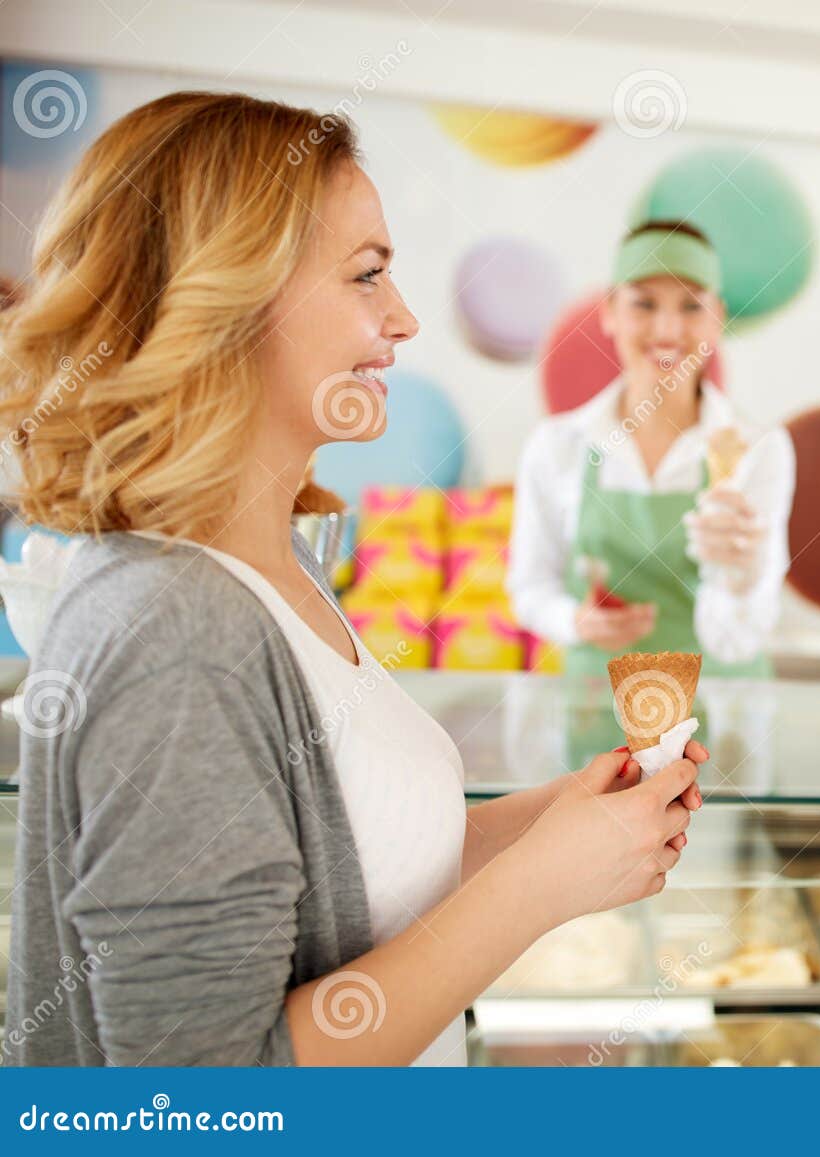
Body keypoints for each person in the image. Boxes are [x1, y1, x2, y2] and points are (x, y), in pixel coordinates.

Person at [0, 91, 704, 1067]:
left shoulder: (276, 574)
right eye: (366, 275)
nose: (405, 318)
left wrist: (555, 818)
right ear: (226, 299)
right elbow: (205, 1100)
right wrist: (539, 884)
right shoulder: (173, 631)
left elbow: (364, 872)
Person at [507, 220, 795, 687]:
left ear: (717, 318)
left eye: (690, 306)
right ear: (609, 312)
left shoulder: (758, 450)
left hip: (719, 713)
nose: (667, 329)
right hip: (598, 708)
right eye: (644, 303)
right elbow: (531, 589)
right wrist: (577, 622)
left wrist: (740, 573)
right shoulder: (558, 446)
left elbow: (744, 635)